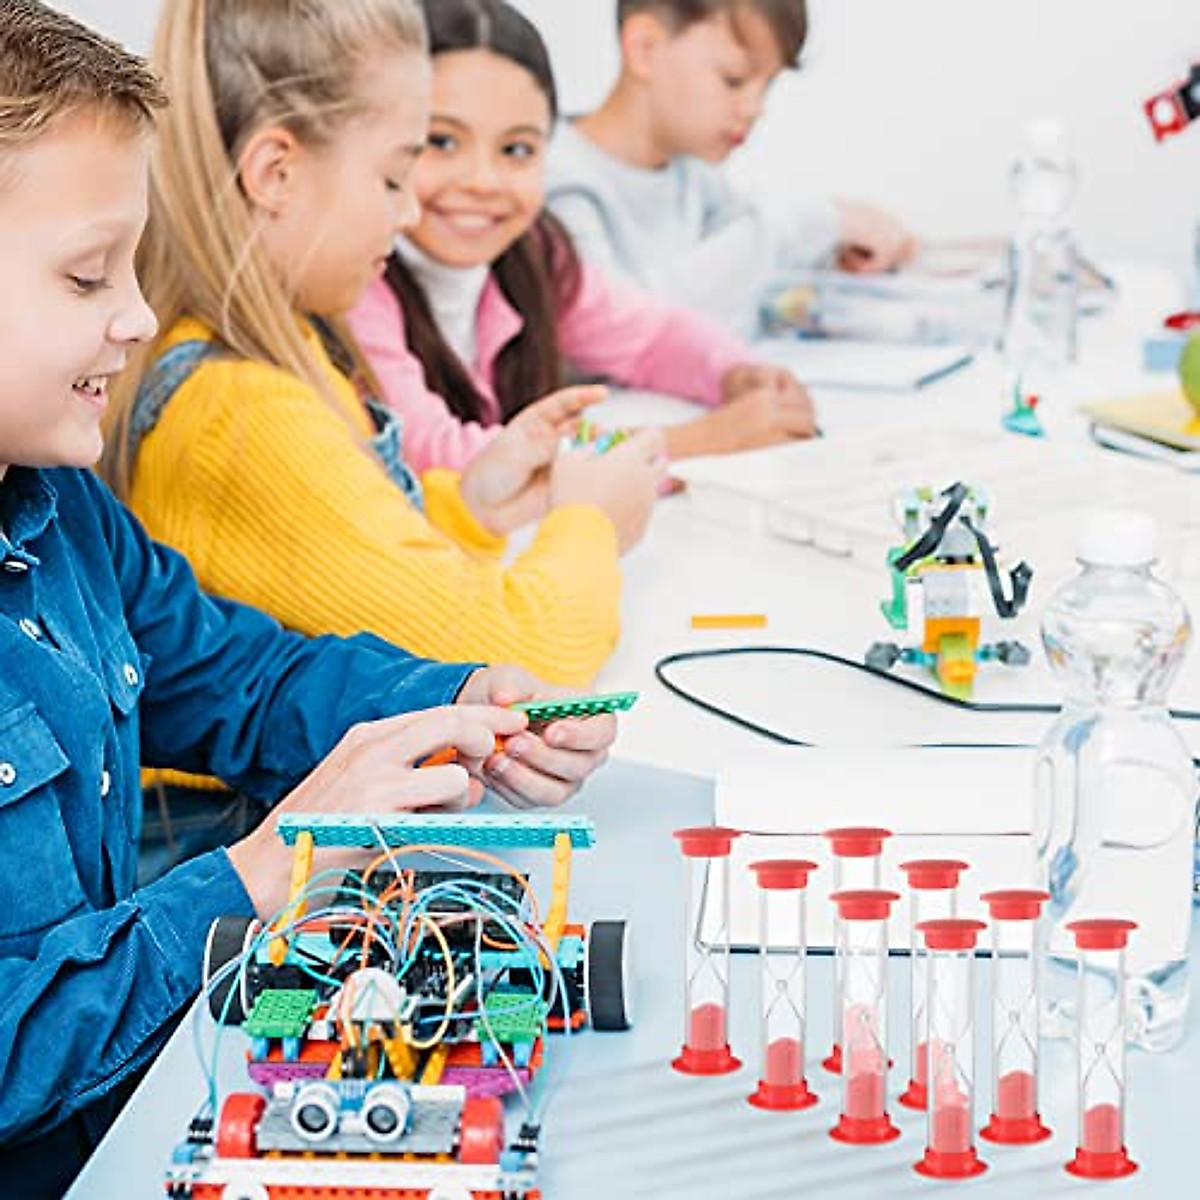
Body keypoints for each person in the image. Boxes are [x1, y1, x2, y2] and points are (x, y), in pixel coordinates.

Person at [0, 4, 615, 1192]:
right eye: (87, 275)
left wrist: (455, 699)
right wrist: (258, 876)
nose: (133, 314)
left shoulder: (61, 509)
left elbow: (243, 675)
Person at [105, 0, 666, 694]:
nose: (408, 213)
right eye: (394, 176)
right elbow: (521, 659)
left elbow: (346, 546)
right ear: (276, 172)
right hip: (242, 806)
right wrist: (593, 523)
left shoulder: (287, 344)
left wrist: (474, 506)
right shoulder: (242, 414)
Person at [348, 0, 819, 473]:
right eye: (442, 142)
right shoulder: (357, 283)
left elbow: (652, 337)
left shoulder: (533, 255)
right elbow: (432, 456)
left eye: (517, 149)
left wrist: (737, 374)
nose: (483, 181)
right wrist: (699, 441)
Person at [546, 0, 919, 336]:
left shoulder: (693, 176)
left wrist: (836, 258)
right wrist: (814, 221)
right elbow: (619, 329)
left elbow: (746, 280)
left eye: (767, 85)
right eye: (734, 80)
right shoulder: (555, 179)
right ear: (645, 48)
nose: (755, 108)